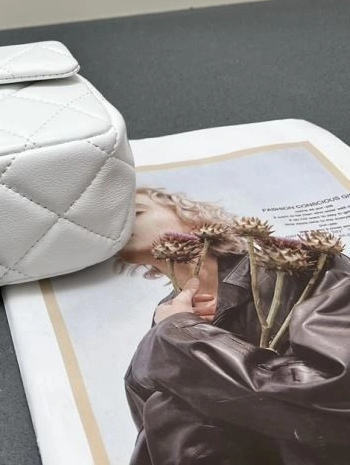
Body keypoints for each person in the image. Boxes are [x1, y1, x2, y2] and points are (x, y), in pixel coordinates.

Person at [120, 188, 350, 464]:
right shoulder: (165, 320)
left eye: (136, 212)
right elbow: (157, 437)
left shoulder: (308, 266)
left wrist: (183, 333)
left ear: (194, 218)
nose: (119, 223)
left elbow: (335, 395)